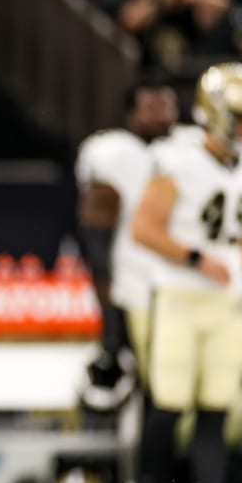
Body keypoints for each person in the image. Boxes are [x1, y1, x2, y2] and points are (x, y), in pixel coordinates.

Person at [132, 62, 242, 483]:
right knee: (168, 405)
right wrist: (194, 257)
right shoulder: (180, 160)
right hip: (178, 295)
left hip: (226, 301)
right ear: (217, 114)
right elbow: (143, 229)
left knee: (217, 409)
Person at [75, 78, 178, 419]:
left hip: (188, 282)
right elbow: (97, 237)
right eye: (151, 106)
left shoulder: (190, 148)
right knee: (154, 390)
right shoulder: (111, 152)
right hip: (135, 284)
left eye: (166, 105)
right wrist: (110, 323)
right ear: (130, 112)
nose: (161, 115)